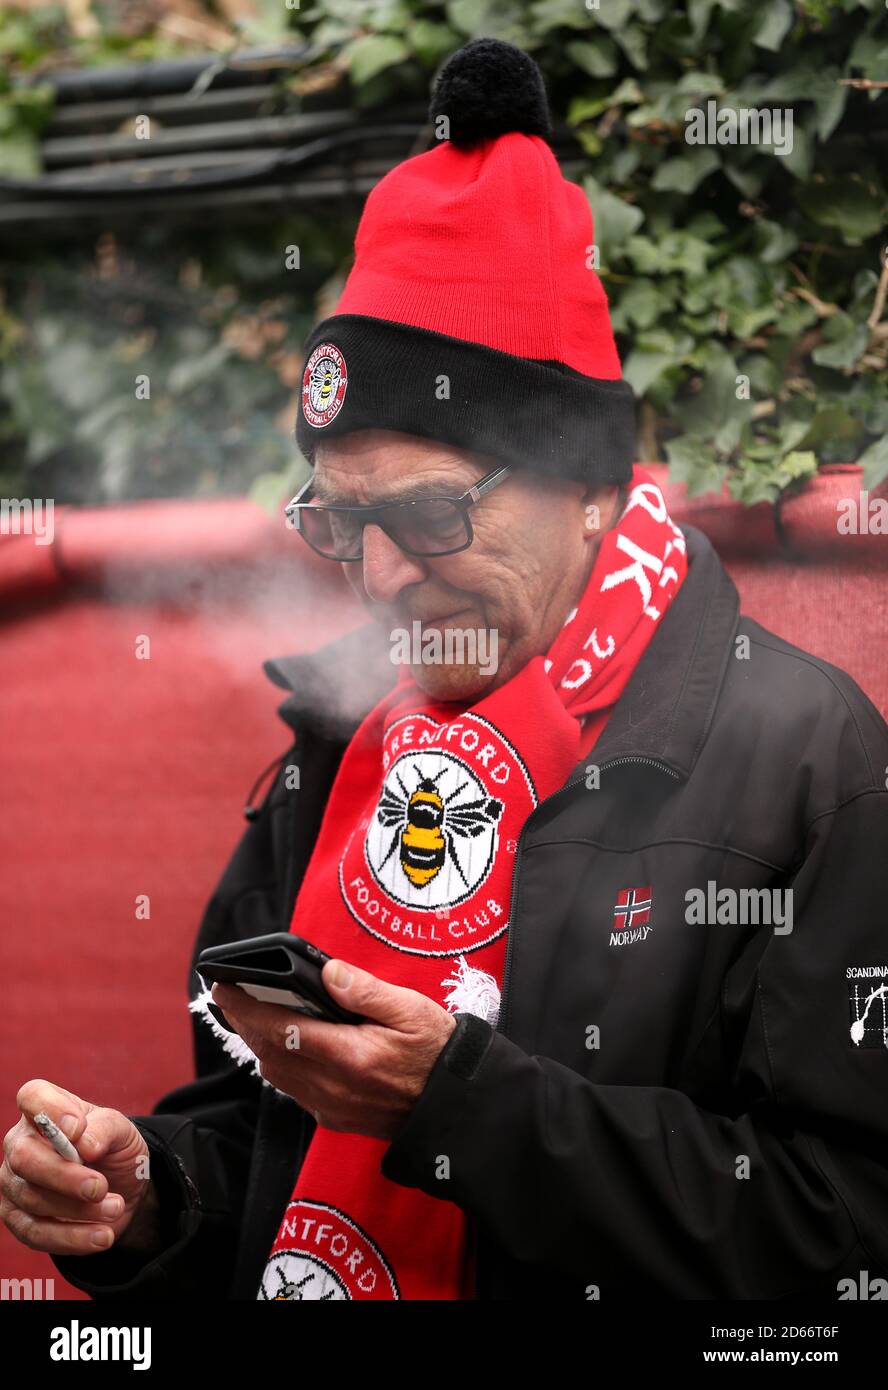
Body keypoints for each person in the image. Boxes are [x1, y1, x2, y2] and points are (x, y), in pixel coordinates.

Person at [4, 38, 888, 1301]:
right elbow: (252, 1141)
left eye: (429, 514)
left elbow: (844, 1231)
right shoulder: (333, 742)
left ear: (590, 488)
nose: (378, 576)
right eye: (339, 521)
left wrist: (467, 1110)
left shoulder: (809, 759)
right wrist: (147, 1190)